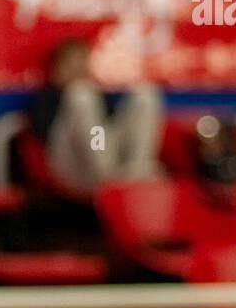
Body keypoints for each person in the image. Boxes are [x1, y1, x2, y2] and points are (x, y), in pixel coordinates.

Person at [29, 37, 164, 194]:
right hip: (75, 165)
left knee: (146, 93)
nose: (78, 67)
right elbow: (45, 135)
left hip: (108, 152)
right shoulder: (48, 96)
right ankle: (106, 175)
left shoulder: (98, 94)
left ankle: (139, 169)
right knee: (80, 94)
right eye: (71, 62)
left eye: (83, 61)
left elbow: (104, 129)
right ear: (57, 67)